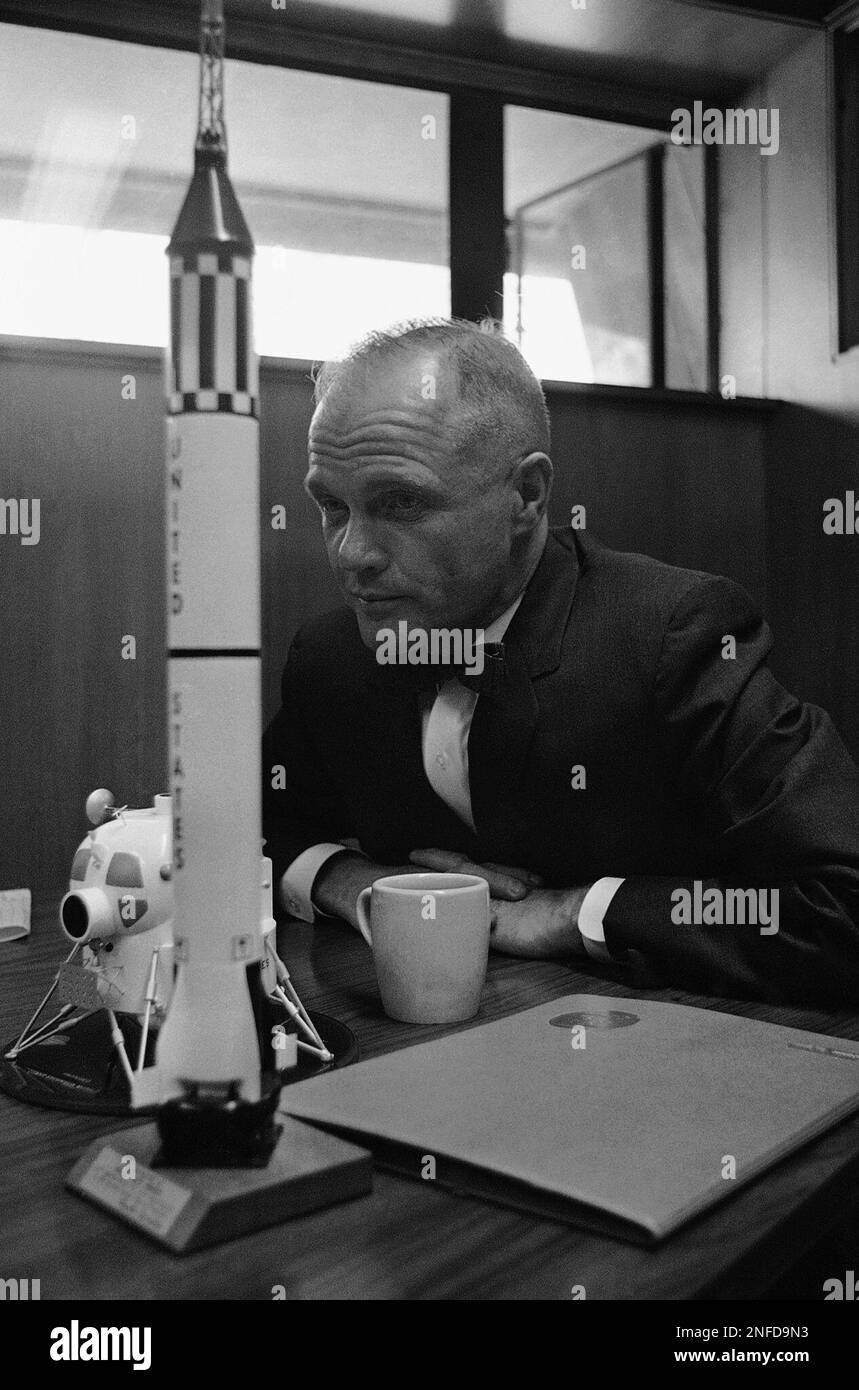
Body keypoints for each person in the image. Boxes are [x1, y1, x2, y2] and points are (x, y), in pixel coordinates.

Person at [262, 318, 859, 1005]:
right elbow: (240, 839)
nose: (350, 553)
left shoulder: (673, 634)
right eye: (331, 506)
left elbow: (842, 907)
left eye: (402, 502)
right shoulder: (329, 656)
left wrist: (577, 914)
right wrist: (345, 879)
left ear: (527, 495)